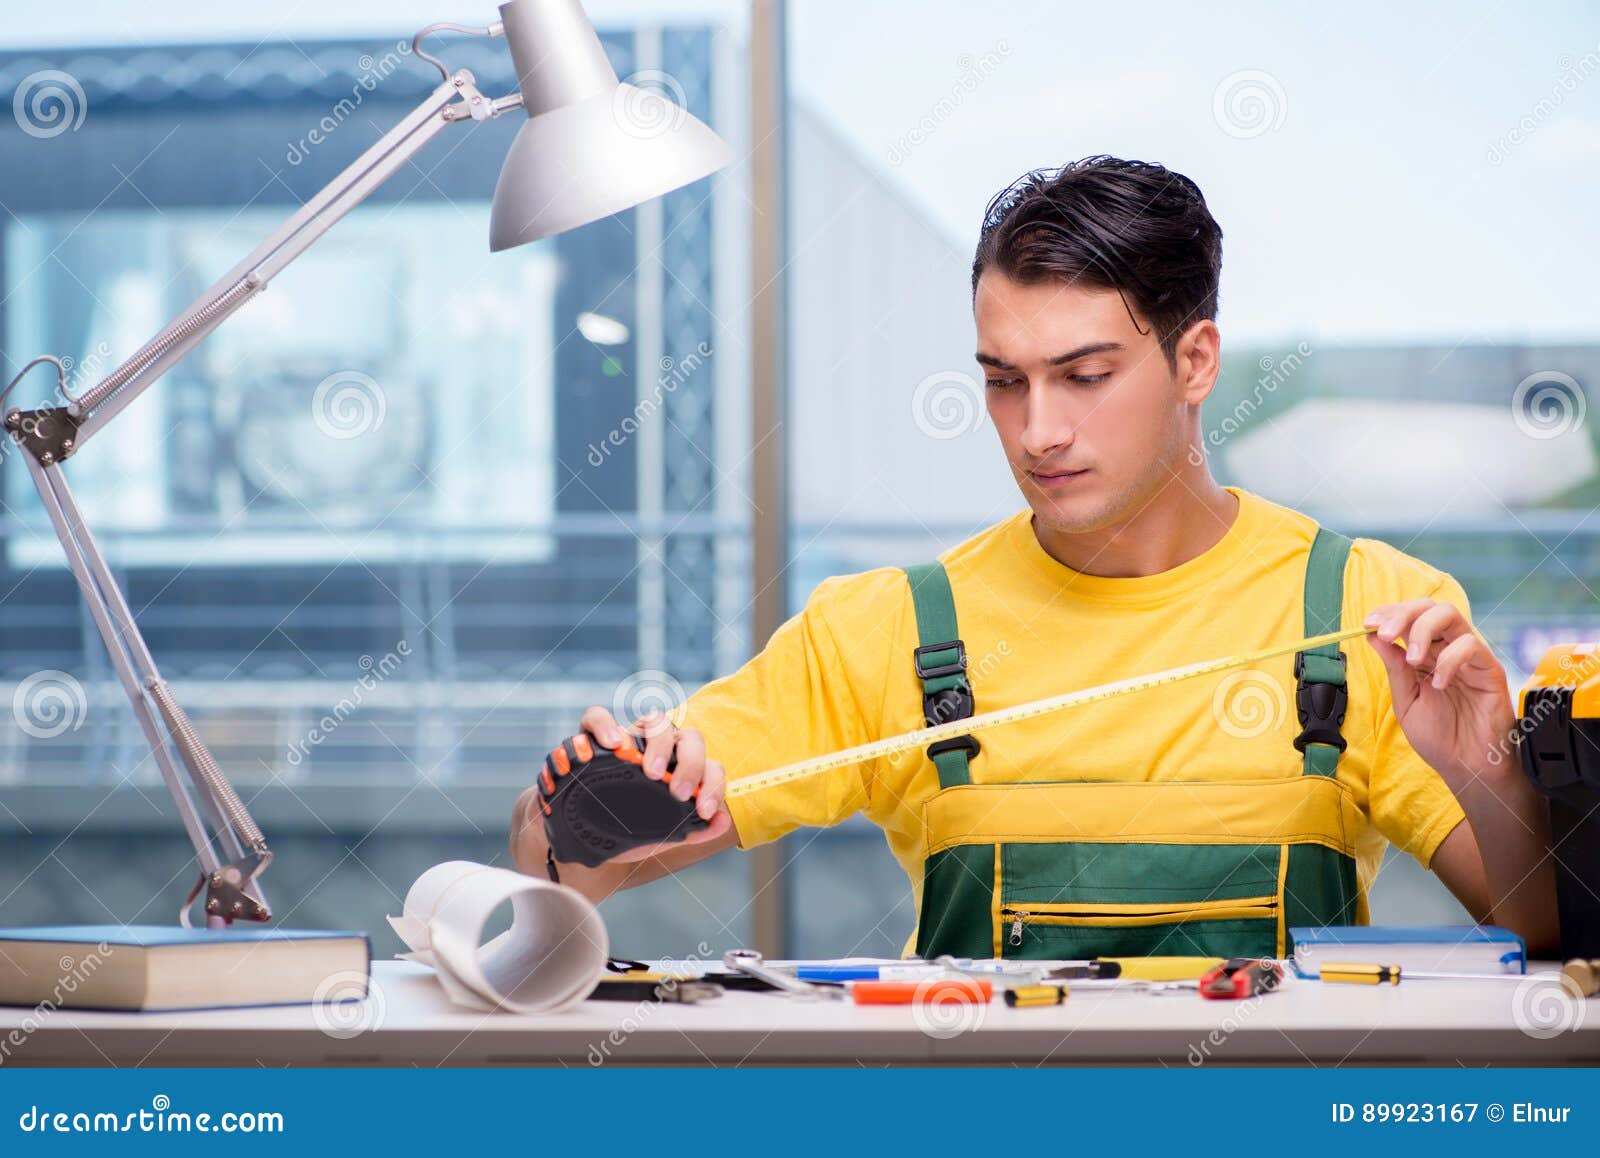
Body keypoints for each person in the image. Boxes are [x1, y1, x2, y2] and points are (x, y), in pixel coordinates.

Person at [511, 156, 1559, 959]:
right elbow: (571, 873)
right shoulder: (890, 629)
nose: (1036, 430)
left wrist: (1487, 774)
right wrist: (581, 807)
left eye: (1084, 375)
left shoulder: (1371, 614)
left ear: (1194, 360)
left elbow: (1543, 929)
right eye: (1003, 380)